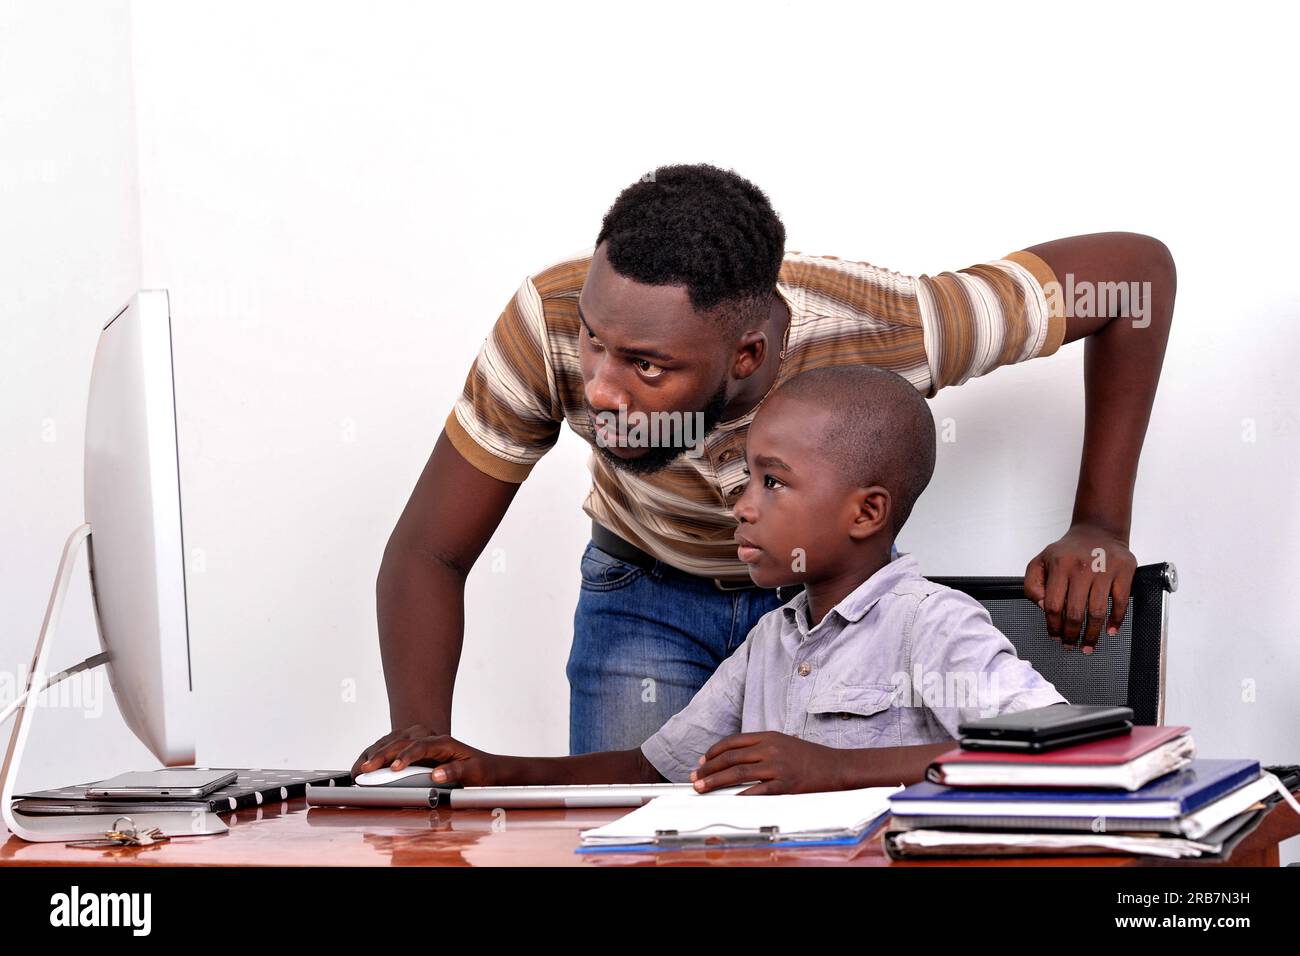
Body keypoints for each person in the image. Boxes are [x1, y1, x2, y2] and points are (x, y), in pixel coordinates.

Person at [354, 162, 1174, 771]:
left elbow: (1136, 275)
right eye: (595, 344)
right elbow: (431, 549)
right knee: (634, 846)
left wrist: (1101, 521)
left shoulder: (892, 329)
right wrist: (424, 752)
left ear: (749, 355)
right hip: (646, 593)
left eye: (645, 366)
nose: (596, 388)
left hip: (823, 602)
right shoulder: (549, 325)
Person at [353, 366, 1068, 793]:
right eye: (747, 476)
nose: (742, 501)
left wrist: (839, 768)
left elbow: (1053, 749)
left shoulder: (931, 624)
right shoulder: (771, 640)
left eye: (773, 482)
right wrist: (492, 771)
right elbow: (650, 768)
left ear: (867, 512)